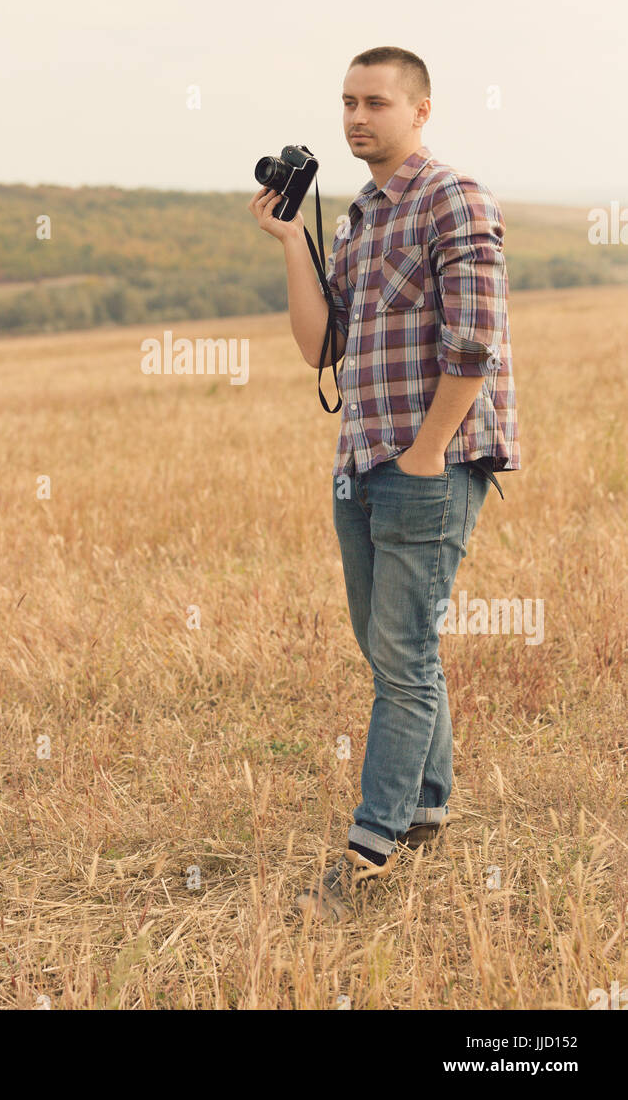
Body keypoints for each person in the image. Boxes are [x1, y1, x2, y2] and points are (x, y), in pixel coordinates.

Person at [247, 46, 520, 923]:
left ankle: (369, 853)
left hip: (424, 467)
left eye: (376, 102)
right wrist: (293, 242)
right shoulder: (359, 214)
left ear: (421, 110)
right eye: (346, 103)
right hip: (361, 461)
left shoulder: (453, 198)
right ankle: (429, 803)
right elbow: (320, 345)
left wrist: (429, 451)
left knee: (399, 659)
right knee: (392, 649)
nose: (357, 118)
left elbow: (473, 341)